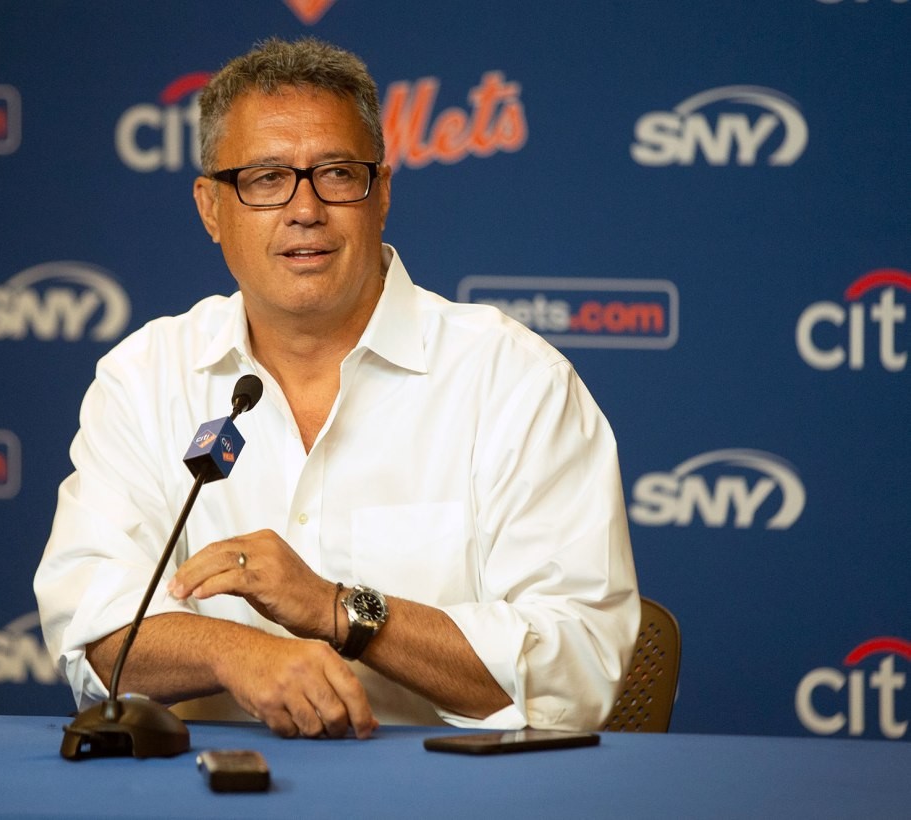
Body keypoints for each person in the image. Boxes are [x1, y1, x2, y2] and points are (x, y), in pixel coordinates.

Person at [34, 36, 639, 739]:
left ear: (381, 193)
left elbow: (579, 670)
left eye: (336, 174)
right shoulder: (144, 378)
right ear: (209, 208)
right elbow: (93, 627)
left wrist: (340, 611)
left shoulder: (515, 381)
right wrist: (240, 654)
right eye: (265, 179)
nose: (304, 209)